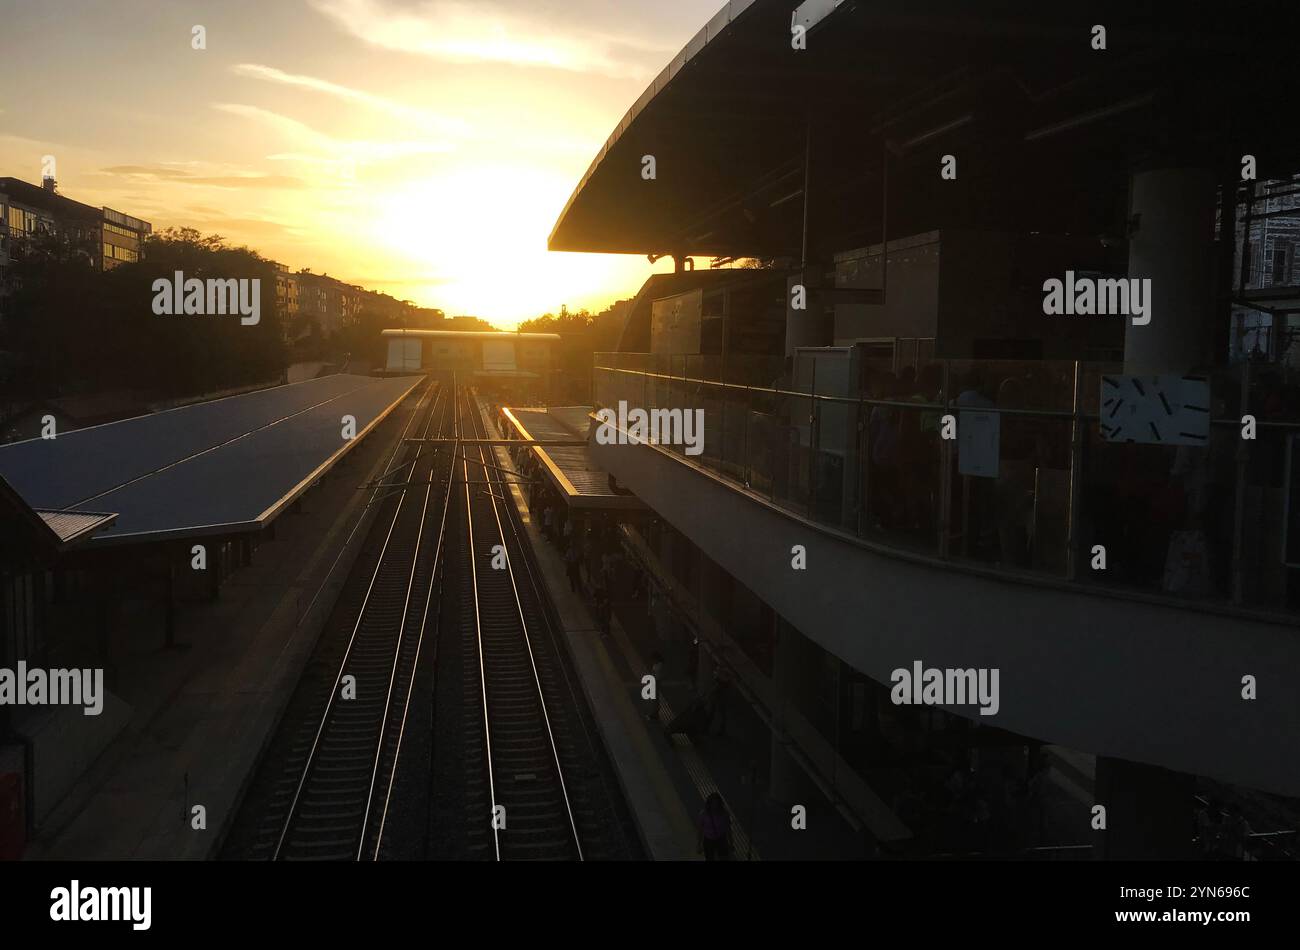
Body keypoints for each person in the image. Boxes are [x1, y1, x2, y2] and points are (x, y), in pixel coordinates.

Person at [697, 792, 733, 861]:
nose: (715, 806)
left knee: (724, 857)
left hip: (721, 839)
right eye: (713, 804)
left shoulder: (724, 814)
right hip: (709, 840)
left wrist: (731, 842)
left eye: (717, 804)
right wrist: (699, 845)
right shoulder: (703, 814)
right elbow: (700, 830)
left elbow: (728, 829)